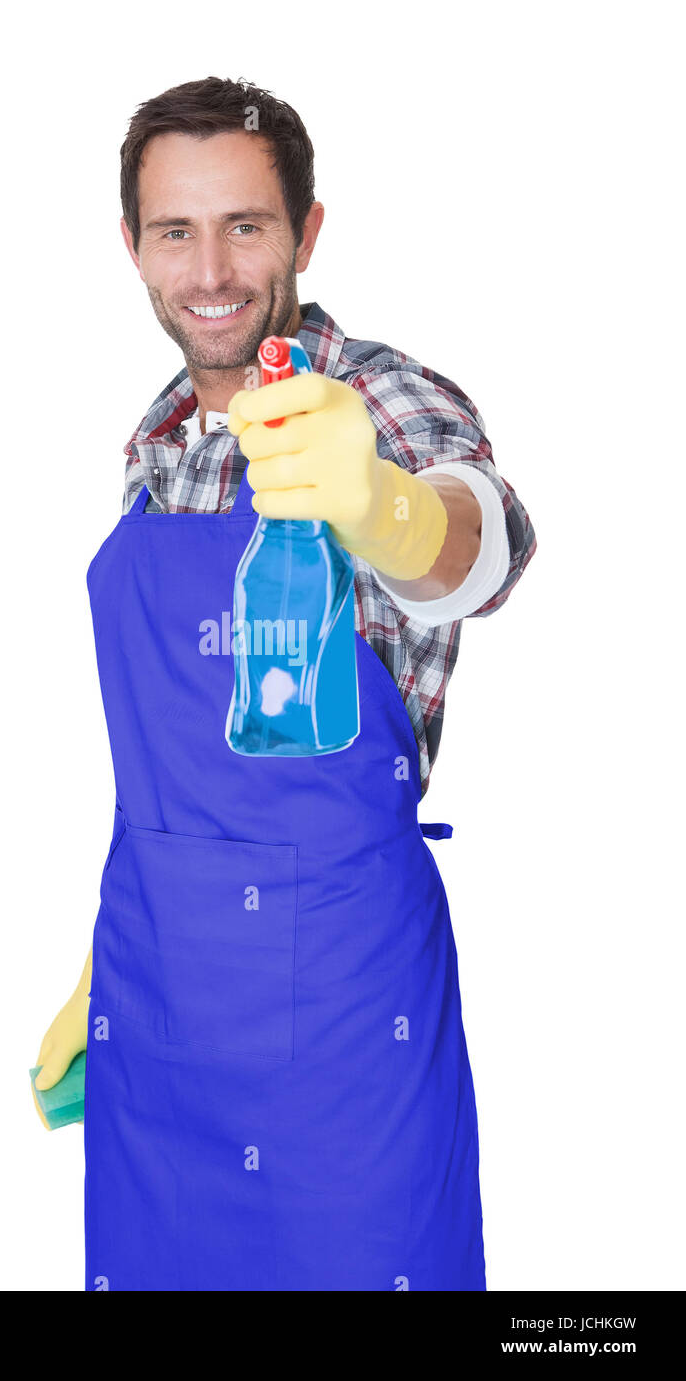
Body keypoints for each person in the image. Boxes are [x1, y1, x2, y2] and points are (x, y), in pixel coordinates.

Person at [33, 76, 536, 1292]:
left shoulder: (376, 400)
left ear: (305, 233)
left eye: (245, 226)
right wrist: (105, 969)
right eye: (174, 230)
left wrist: (386, 507)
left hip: (345, 1037)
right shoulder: (153, 448)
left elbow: (487, 541)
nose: (209, 267)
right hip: (158, 1006)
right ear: (132, 248)